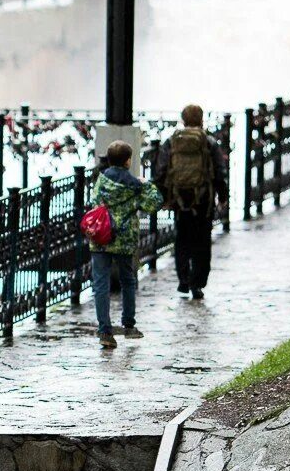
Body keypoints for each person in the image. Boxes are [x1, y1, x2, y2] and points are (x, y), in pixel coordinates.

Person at [89, 140, 162, 348]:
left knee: (100, 284)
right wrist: (146, 184)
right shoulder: (134, 184)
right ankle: (128, 325)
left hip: (101, 237)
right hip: (124, 239)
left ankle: (104, 330)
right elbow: (154, 203)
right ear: (128, 161)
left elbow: (95, 203)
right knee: (127, 280)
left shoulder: (101, 181)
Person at [153, 105, 229, 300]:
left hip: (179, 198)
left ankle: (183, 280)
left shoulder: (172, 142)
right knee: (202, 240)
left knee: (182, 238)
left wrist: (162, 197)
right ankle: (198, 283)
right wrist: (223, 196)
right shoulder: (208, 142)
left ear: (183, 120)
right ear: (201, 119)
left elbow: (161, 171)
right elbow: (220, 172)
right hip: (203, 198)